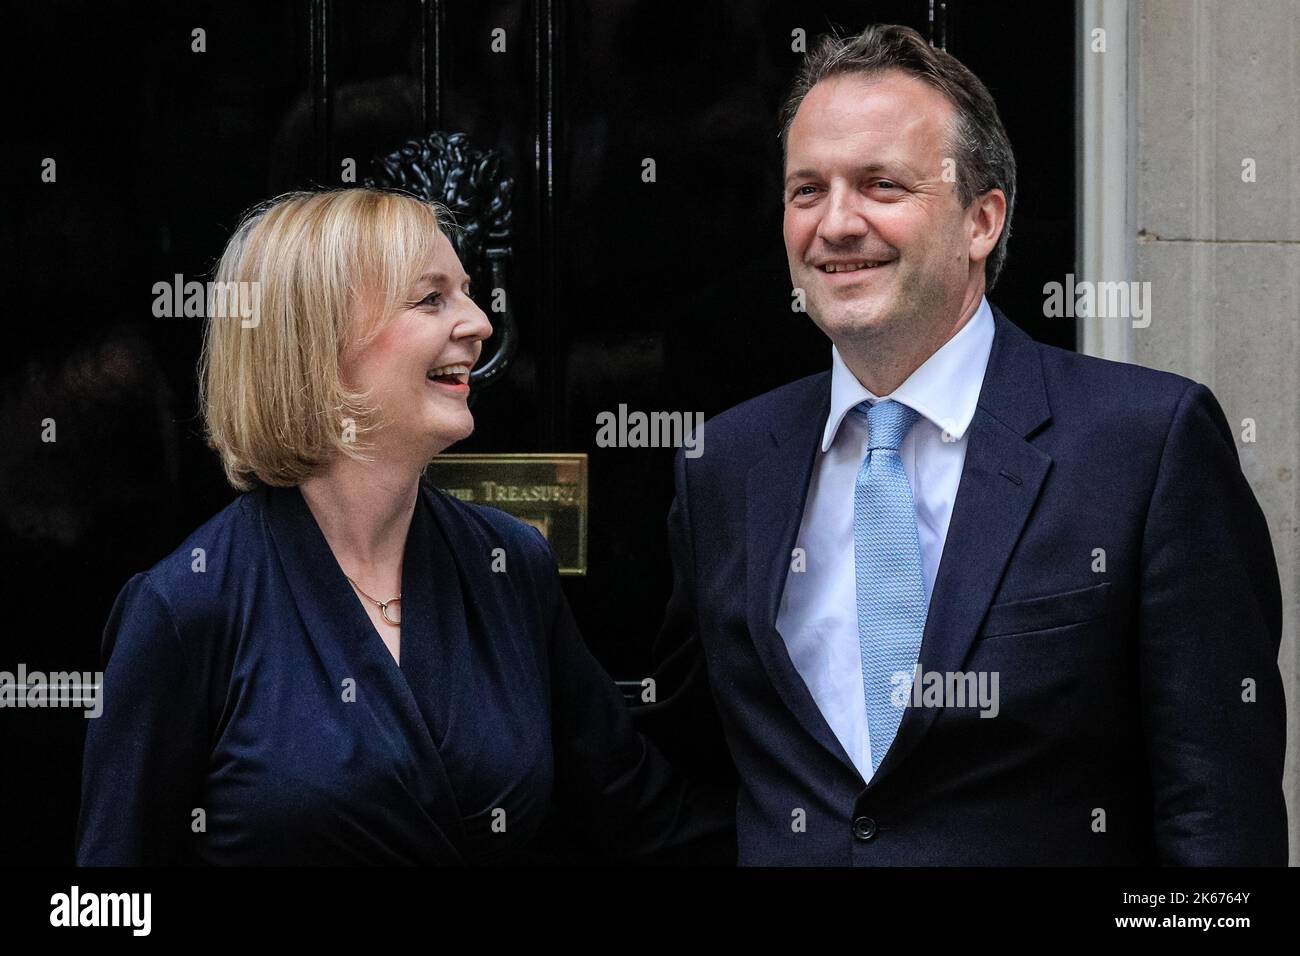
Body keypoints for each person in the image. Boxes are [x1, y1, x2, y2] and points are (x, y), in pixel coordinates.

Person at [649, 24, 1287, 865]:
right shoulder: (725, 466)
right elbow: (695, 780)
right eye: (808, 190)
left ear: (982, 219)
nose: (836, 223)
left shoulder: (1145, 446)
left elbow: (1217, 817)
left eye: (881, 184)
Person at [76, 187, 733, 865]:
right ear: (316, 342)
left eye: (468, 292)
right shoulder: (188, 606)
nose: (480, 322)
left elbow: (642, 815)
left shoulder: (506, 565)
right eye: (432, 299)